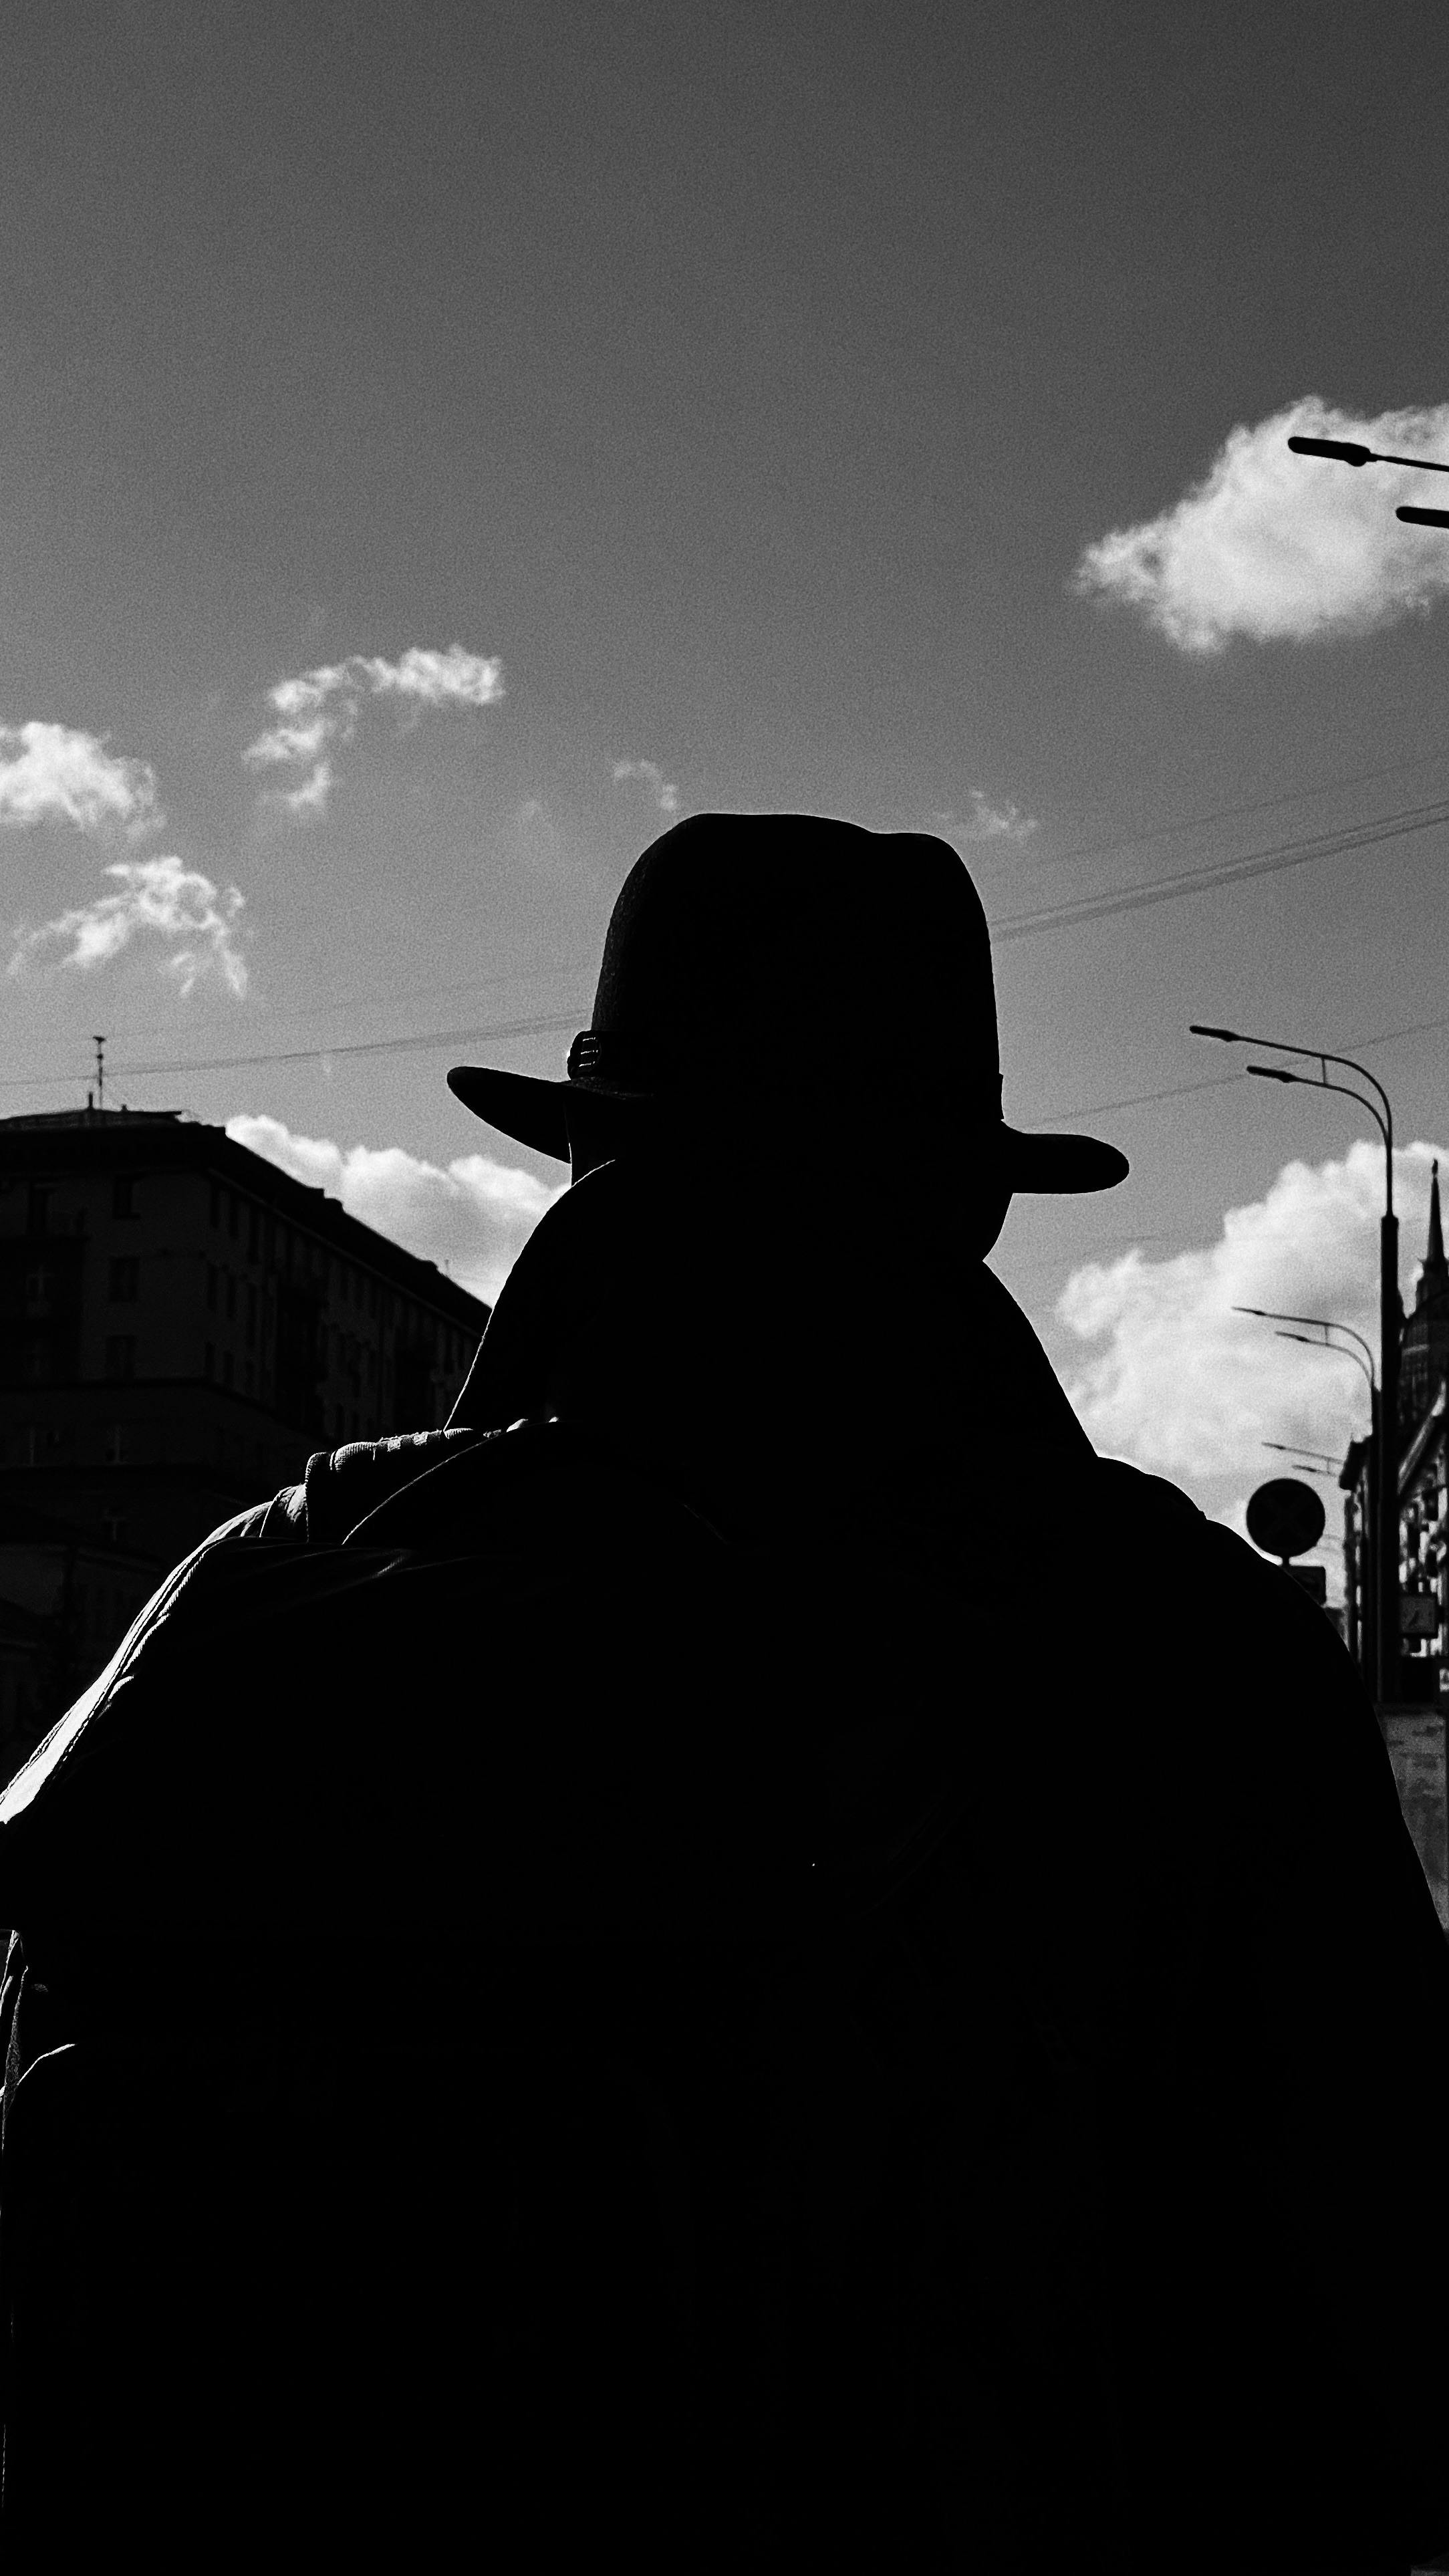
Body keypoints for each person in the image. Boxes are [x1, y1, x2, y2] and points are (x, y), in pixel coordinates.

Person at [0, 811, 1446, 2573]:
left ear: (584, 1163)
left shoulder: (247, 1602)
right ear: (974, 1200)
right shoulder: (1184, 1667)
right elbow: (1388, 2390)